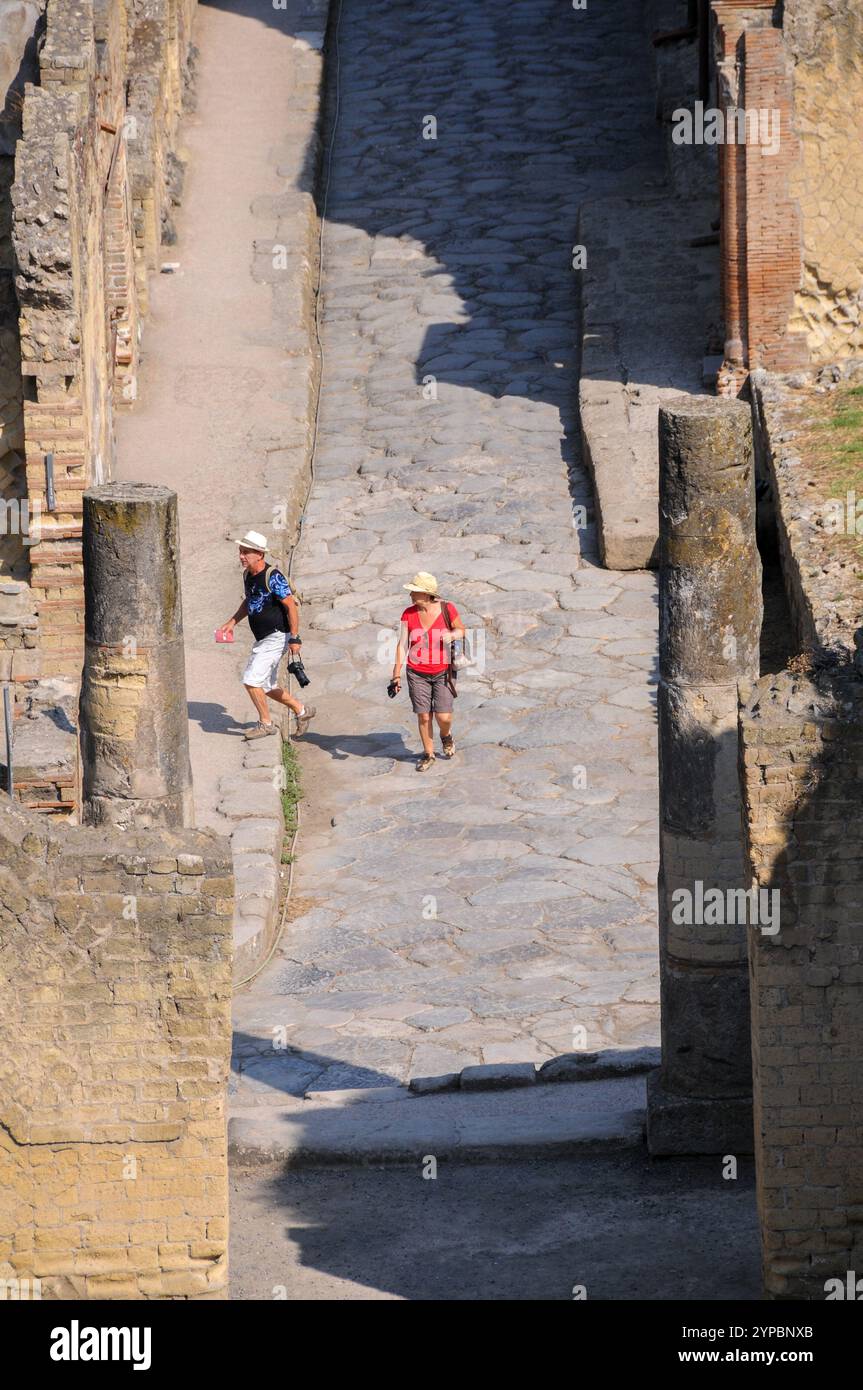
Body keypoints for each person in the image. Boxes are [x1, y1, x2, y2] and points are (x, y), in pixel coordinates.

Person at [216, 530, 316, 741]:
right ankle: (302, 711)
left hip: (277, 636)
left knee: (252, 680)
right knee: (267, 686)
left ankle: (266, 724)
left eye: (246, 552)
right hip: (263, 638)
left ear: (260, 554)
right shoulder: (248, 575)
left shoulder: (274, 577)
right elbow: (250, 601)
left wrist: (295, 638)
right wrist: (232, 621)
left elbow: (290, 606)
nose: (241, 556)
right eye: (241, 551)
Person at [391, 571, 465, 772]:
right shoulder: (408, 614)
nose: (410, 595)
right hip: (417, 672)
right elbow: (402, 645)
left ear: (426, 593)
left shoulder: (447, 608)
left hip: (443, 671)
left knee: (444, 717)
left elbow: (461, 630)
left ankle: (446, 735)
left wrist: (452, 635)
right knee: (424, 716)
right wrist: (396, 674)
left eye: (414, 591)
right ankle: (428, 754)